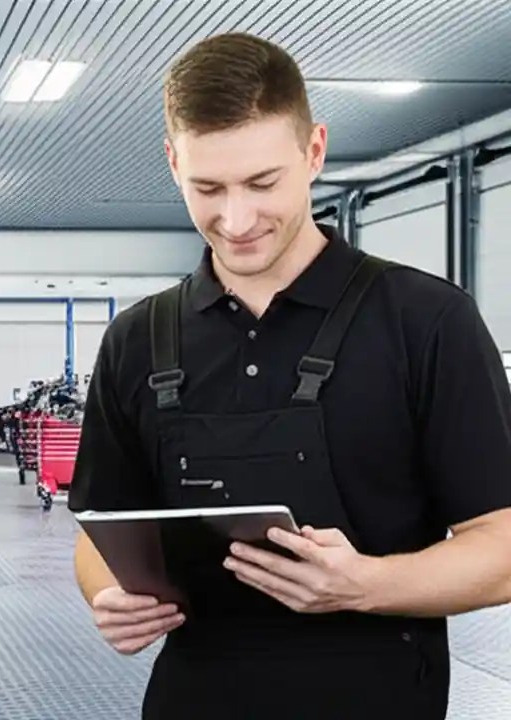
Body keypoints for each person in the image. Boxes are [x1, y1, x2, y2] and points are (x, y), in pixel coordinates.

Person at [68, 31, 511, 720]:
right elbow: (99, 533)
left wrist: (364, 584)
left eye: (262, 183)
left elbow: (503, 548)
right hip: (193, 700)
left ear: (314, 152)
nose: (236, 219)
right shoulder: (136, 340)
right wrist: (109, 598)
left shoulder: (427, 322)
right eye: (206, 188)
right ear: (172, 163)